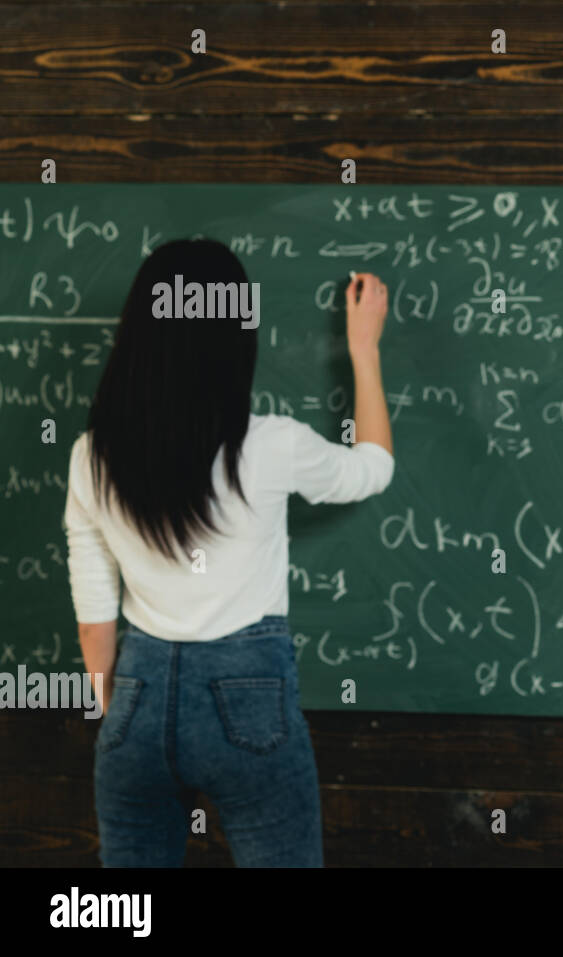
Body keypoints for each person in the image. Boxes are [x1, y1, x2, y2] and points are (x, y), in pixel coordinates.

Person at [63, 239, 394, 866]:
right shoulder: (271, 447)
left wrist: (123, 713)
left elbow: (92, 620)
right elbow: (372, 469)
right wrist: (363, 348)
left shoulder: (92, 457)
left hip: (136, 694)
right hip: (248, 700)